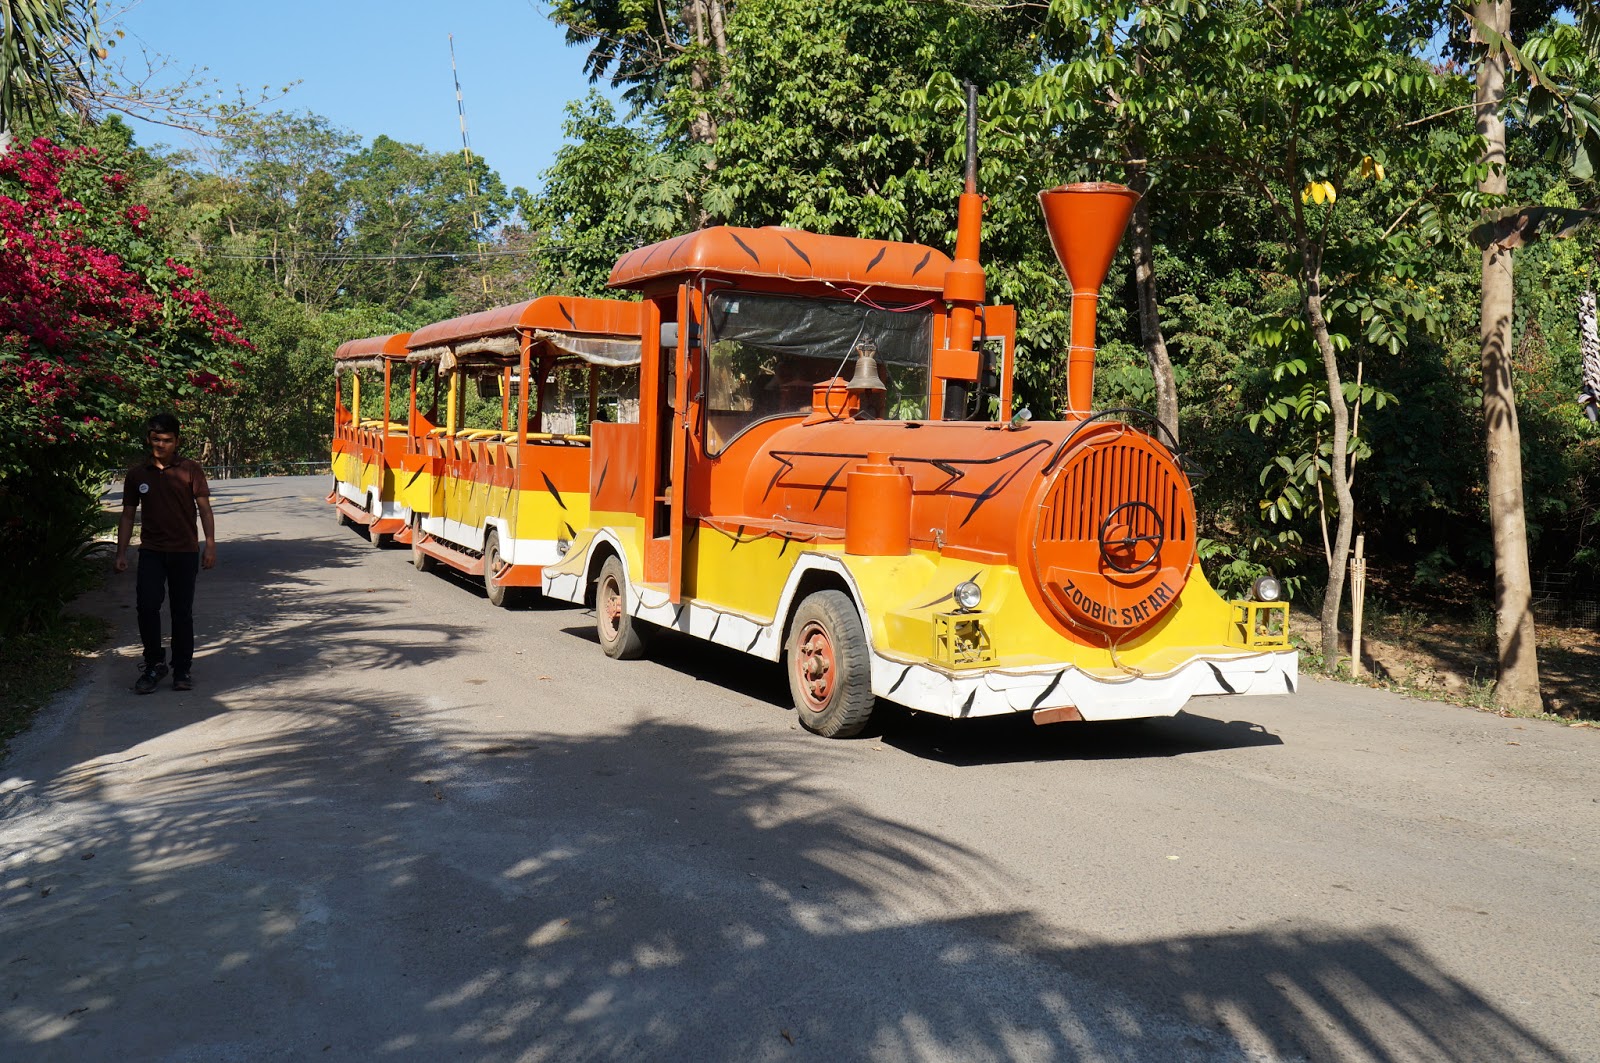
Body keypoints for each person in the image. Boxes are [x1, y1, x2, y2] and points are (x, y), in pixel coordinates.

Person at [114, 413, 217, 693]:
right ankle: (154, 664)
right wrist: (121, 553)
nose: (161, 445)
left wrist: (210, 544)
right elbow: (127, 515)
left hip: (184, 552)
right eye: (156, 439)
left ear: (177, 441)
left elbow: (205, 509)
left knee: (181, 612)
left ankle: (182, 669)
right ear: (149, 439)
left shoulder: (190, 469)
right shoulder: (137, 474)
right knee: (147, 607)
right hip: (152, 552)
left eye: (167, 440)